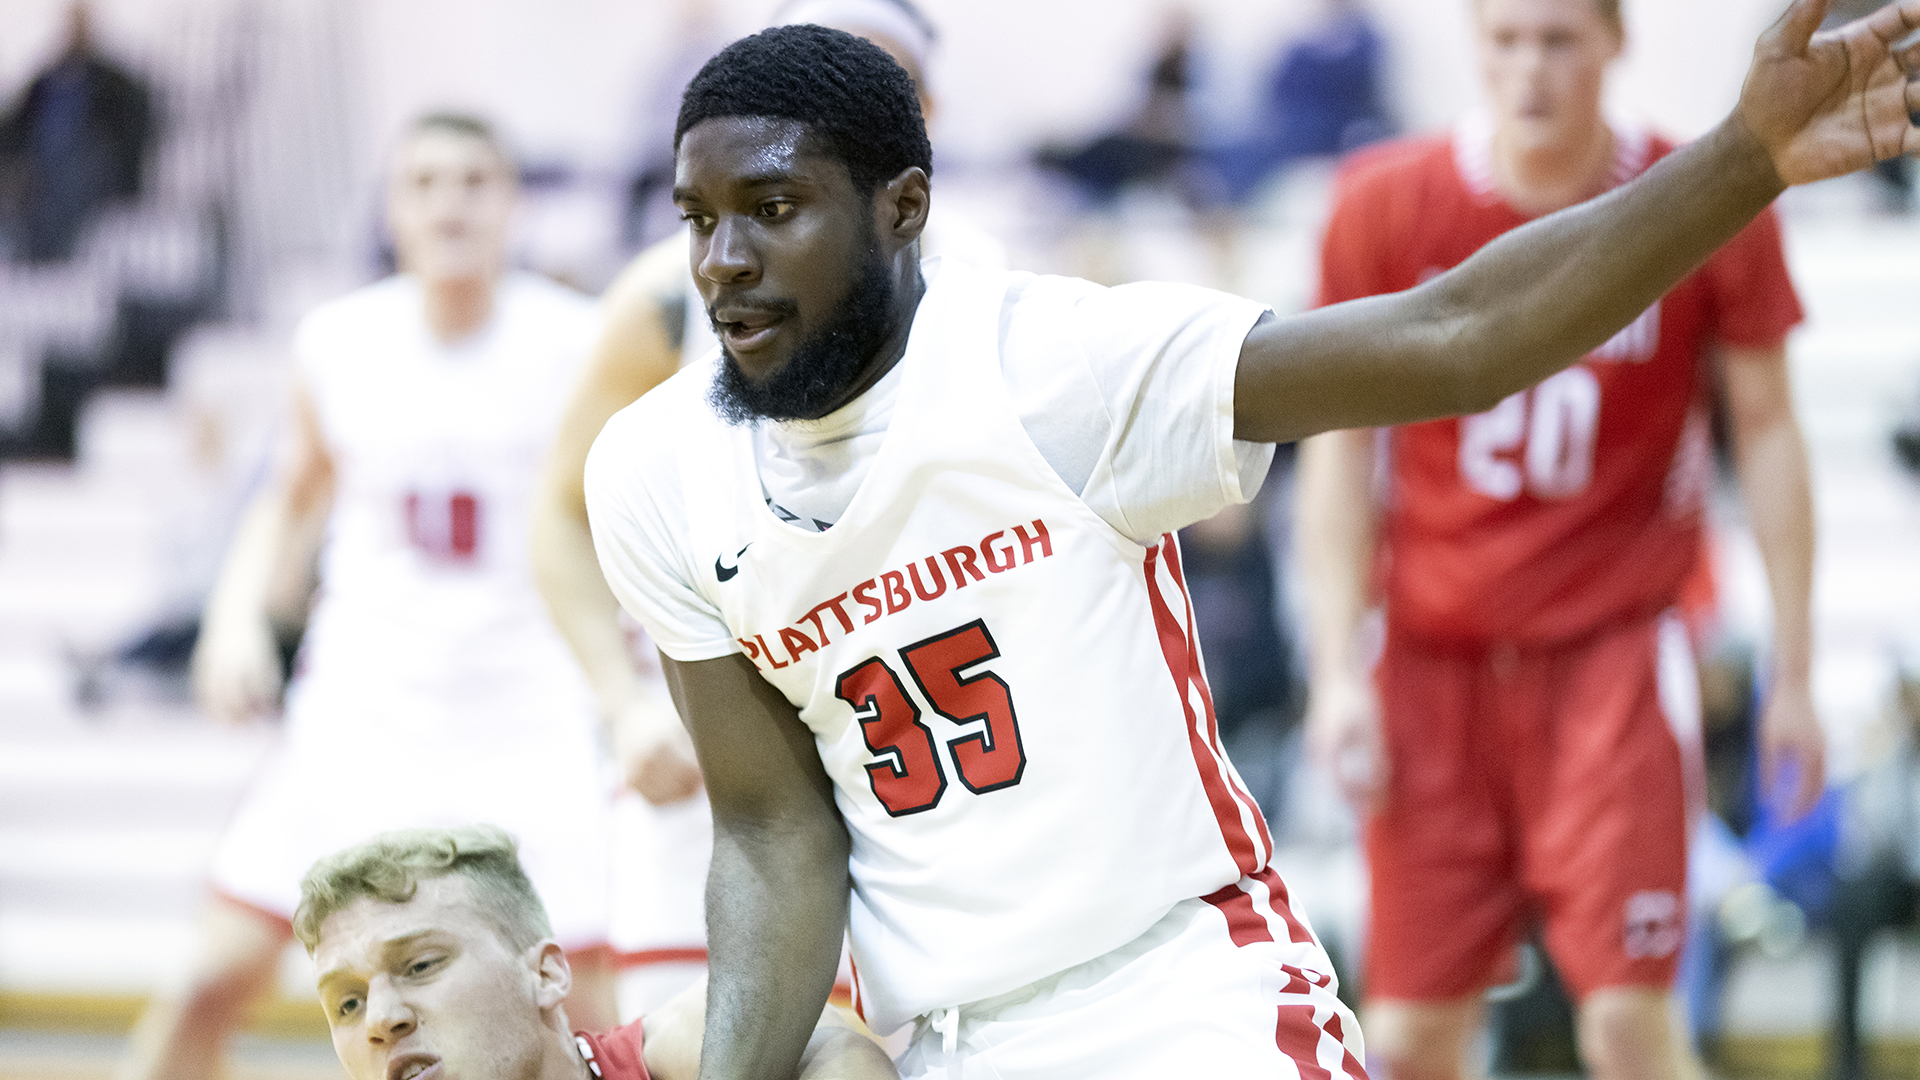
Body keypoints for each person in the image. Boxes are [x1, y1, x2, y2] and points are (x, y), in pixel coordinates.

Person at [582, 7, 1918, 1077]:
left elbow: (1455, 340)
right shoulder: (652, 476)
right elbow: (769, 835)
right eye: (700, 222)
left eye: (772, 208)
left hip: (1182, 998)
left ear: (903, 210)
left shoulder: (1053, 364)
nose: (725, 261)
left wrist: (1747, 152)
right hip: (943, 1041)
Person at [1293, 0, 1834, 1077]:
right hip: (1432, 663)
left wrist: (1796, 669)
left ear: (1614, 41)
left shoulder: (1698, 200)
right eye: (1505, 40)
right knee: (1405, 1039)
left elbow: (1769, 432)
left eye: (1558, 38)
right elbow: (1341, 453)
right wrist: (1335, 674)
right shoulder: (1385, 205)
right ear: (1472, 45)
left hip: (1613, 658)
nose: (1529, 68)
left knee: (1632, 1026)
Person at [119, 113, 622, 1080]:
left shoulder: (580, 343)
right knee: (206, 982)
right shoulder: (339, 341)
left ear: (511, 203)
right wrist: (235, 623)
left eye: (475, 180)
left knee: (582, 998)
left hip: (529, 708)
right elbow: (291, 496)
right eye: (425, 182)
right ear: (393, 207)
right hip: (365, 705)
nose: (451, 203)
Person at [531, 0, 1002, 1014]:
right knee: (704, 1039)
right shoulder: (670, 294)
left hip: (915, 725)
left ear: (928, 112)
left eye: (876, 77)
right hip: (722, 726)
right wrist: (623, 705)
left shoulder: (991, 288)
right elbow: (562, 517)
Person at [297, 825, 898, 1080]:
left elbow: (836, 1050)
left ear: (547, 973)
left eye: (421, 966)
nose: (380, 1020)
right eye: (347, 1004)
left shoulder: (675, 1051)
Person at [0, 2, 150, 263]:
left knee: (73, 176)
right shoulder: (45, 81)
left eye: (81, 26)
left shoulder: (115, 84)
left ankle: (53, 254)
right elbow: (14, 127)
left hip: (90, 171)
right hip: (39, 167)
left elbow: (131, 135)